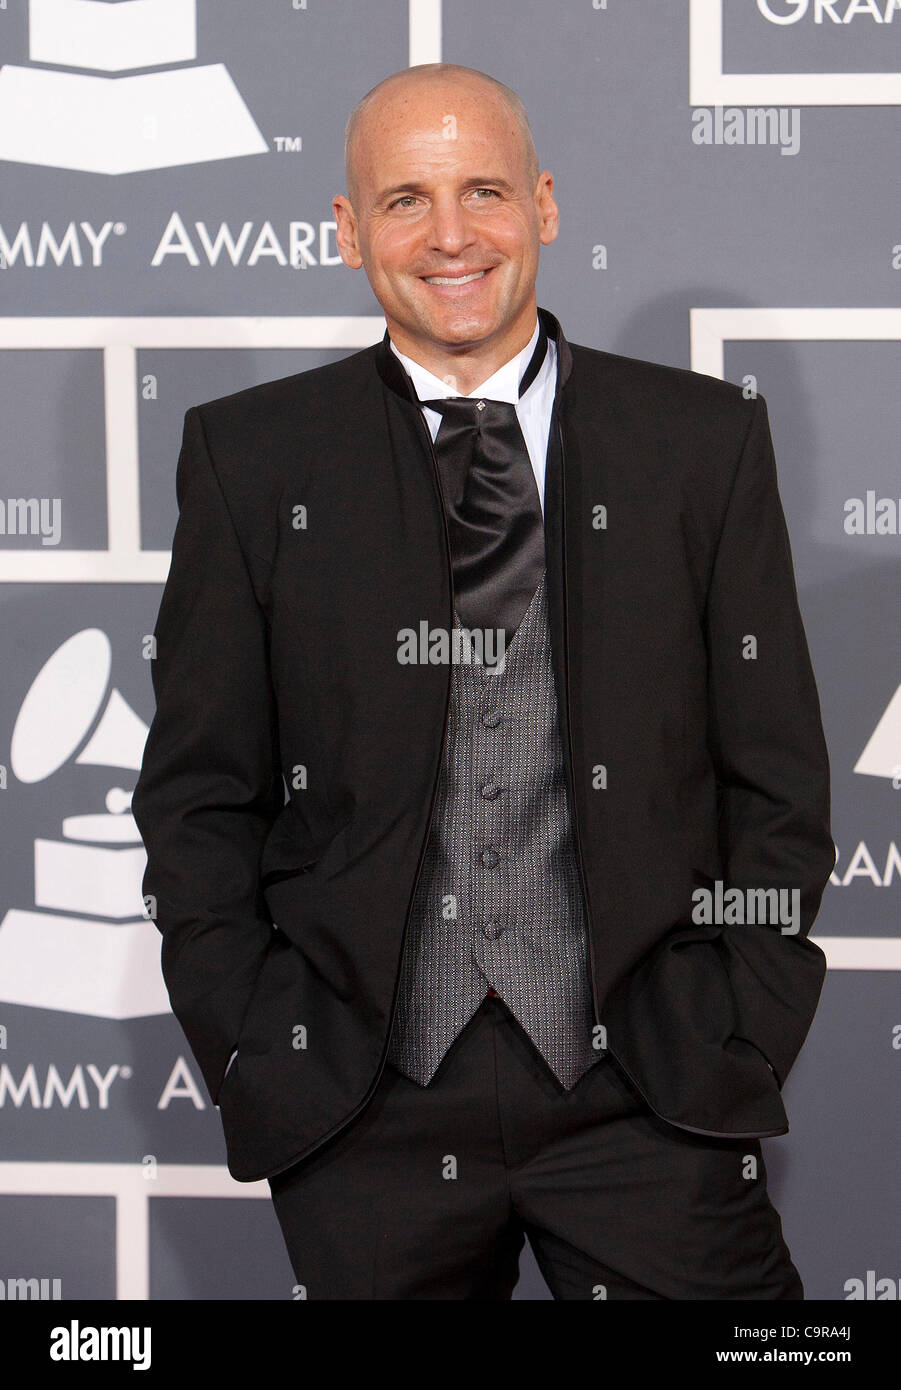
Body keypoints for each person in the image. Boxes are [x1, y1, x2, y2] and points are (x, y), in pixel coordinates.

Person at [131, 62, 835, 1300]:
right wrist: (263, 1039)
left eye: (484, 191)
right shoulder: (251, 460)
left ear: (546, 206)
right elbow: (198, 793)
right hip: (366, 1104)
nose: (451, 236)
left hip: (649, 1094)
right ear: (348, 232)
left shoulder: (699, 443)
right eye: (405, 199)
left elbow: (774, 774)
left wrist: (736, 1021)